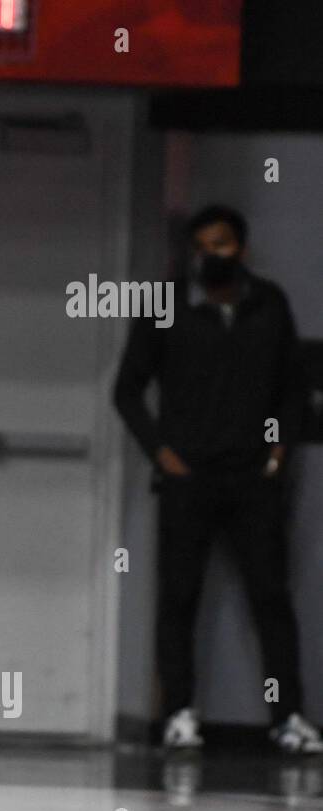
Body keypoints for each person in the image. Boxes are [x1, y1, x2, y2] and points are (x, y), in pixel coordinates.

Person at [114, 204, 322, 754]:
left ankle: (289, 718)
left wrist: (279, 450)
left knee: (271, 599)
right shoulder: (164, 307)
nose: (211, 255)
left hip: (254, 477)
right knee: (179, 596)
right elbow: (127, 390)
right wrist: (162, 452)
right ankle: (179, 713)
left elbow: (293, 388)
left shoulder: (269, 304)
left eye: (222, 244)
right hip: (188, 476)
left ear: (242, 250)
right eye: (201, 246)